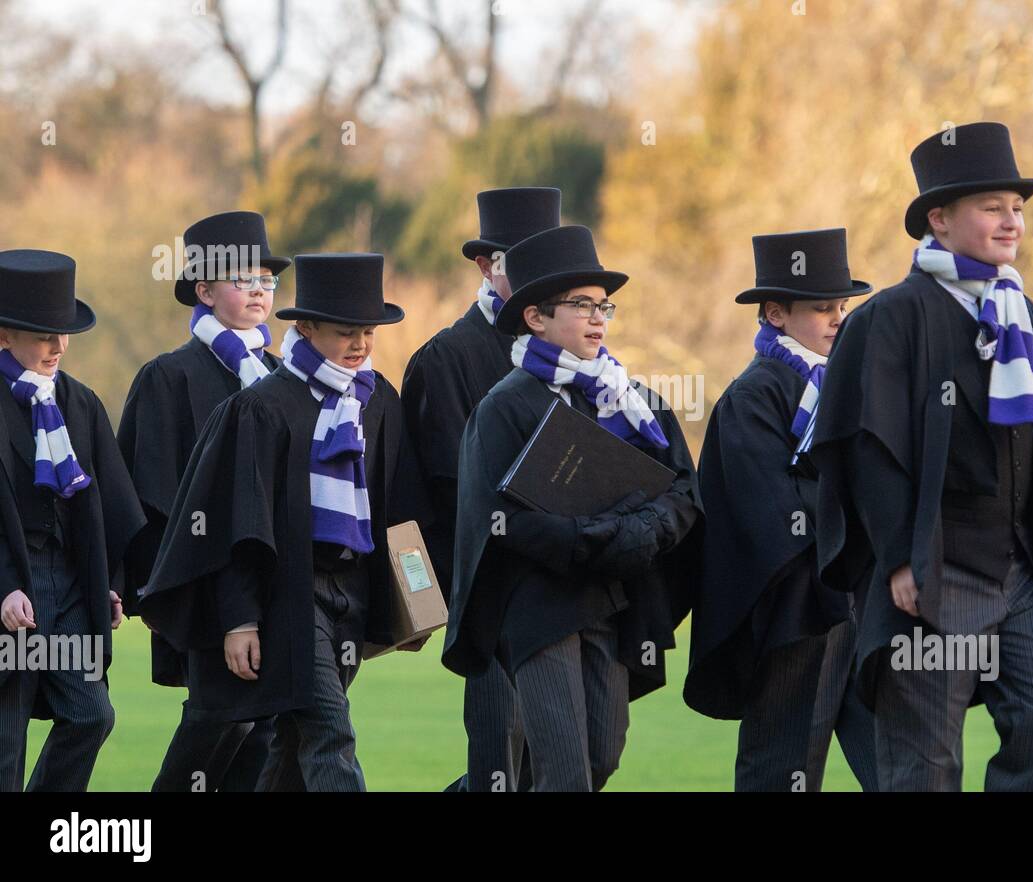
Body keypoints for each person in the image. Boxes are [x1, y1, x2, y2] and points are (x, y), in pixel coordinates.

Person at [808, 122, 1033, 791]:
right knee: (926, 762)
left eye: (1017, 207)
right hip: (936, 572)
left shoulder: (1022, 312)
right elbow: (867, 448)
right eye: (992, 207)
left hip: (1023, 570)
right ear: (940, 219)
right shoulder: (891, 316)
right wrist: (901, 556)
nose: (1011, 221)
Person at [139, 253, 429, 791]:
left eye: (368, 331)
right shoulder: (263, 407)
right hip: (290, 596)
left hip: (354, 592)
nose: (361, 344)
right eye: (346, 332)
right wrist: (240, 619)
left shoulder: (379, 400)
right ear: (305, 328)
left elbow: (400, 510)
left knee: (292, 748)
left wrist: (418, 597)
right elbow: (236, 526)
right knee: (329, 733)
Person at [442, 225, 702, 791]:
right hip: (537, 609)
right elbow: (496, 518)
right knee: (565, 775)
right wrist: (592, 538)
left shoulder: (631, 399)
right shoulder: (505, 405)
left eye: (603, 304)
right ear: (535, 317)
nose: (597, 317)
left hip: (613, 603)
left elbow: (683, 493)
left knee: (601, 757)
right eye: (580, 305)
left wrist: (644, 532)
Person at [684, 228, 877, 791]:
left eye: (842, 306)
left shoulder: (846, 384)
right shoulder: (755, 395)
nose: (839, 318)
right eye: (823, 308)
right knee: (782, 768)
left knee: (902, 763)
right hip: (798, 611)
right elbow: (770, 511)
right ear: (774, 313)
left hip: (859, 604)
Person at [119, 210, 289, 792]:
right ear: (204, 288)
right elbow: (150, 498)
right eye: (243, 278)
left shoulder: (280, 375)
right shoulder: (168, 377)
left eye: (267, 280)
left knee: (262, 735)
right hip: (205, 587)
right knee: (217, 720)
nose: (259, 290)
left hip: (275, 584)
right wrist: (202, 599)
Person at [402, 187, 561, 792]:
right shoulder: (445, 358)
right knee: (501, 765)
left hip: (567, 583)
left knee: (564, 764)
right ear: (485, 265)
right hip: (490, 591)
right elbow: (440, 491)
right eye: (516, 262)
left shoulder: (578, 355)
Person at [0, 248, 145, 791]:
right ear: (3, 336)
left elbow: (108, 505)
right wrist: (5, 588)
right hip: (13, 590)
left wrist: (106, 582)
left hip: (68, 588)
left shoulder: (79, 403)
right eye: (43, 335)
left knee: (91, 716)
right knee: (4, 745)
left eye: (63, 334)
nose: (59, 347)